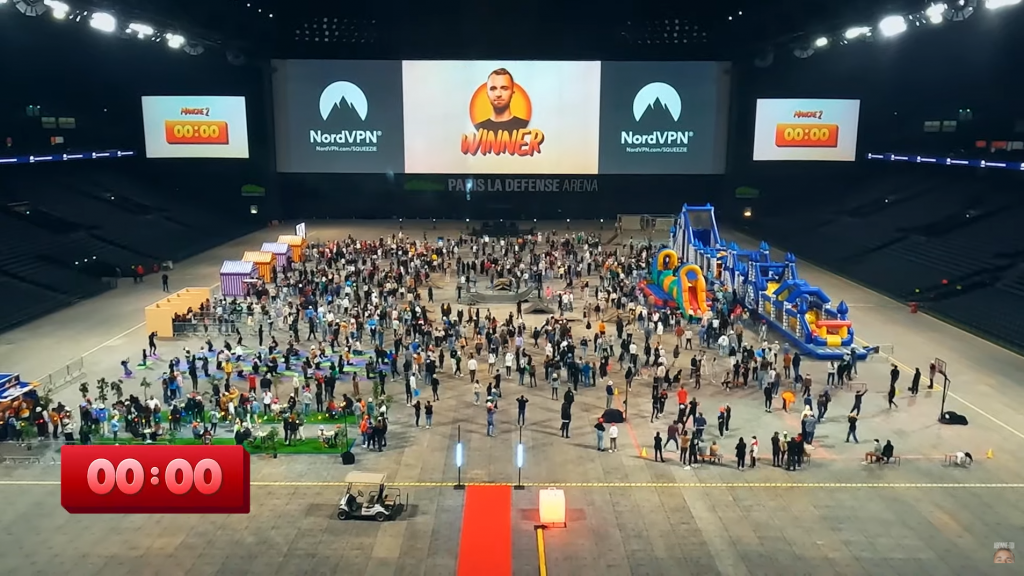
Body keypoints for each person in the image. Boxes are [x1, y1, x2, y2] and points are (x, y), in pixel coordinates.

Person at [473, 68, 530, 133]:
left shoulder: (524, 127)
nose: (498, 94)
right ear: (487, 94)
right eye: (493, 89)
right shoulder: (478, 128)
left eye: (504, 89)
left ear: (512, 93)